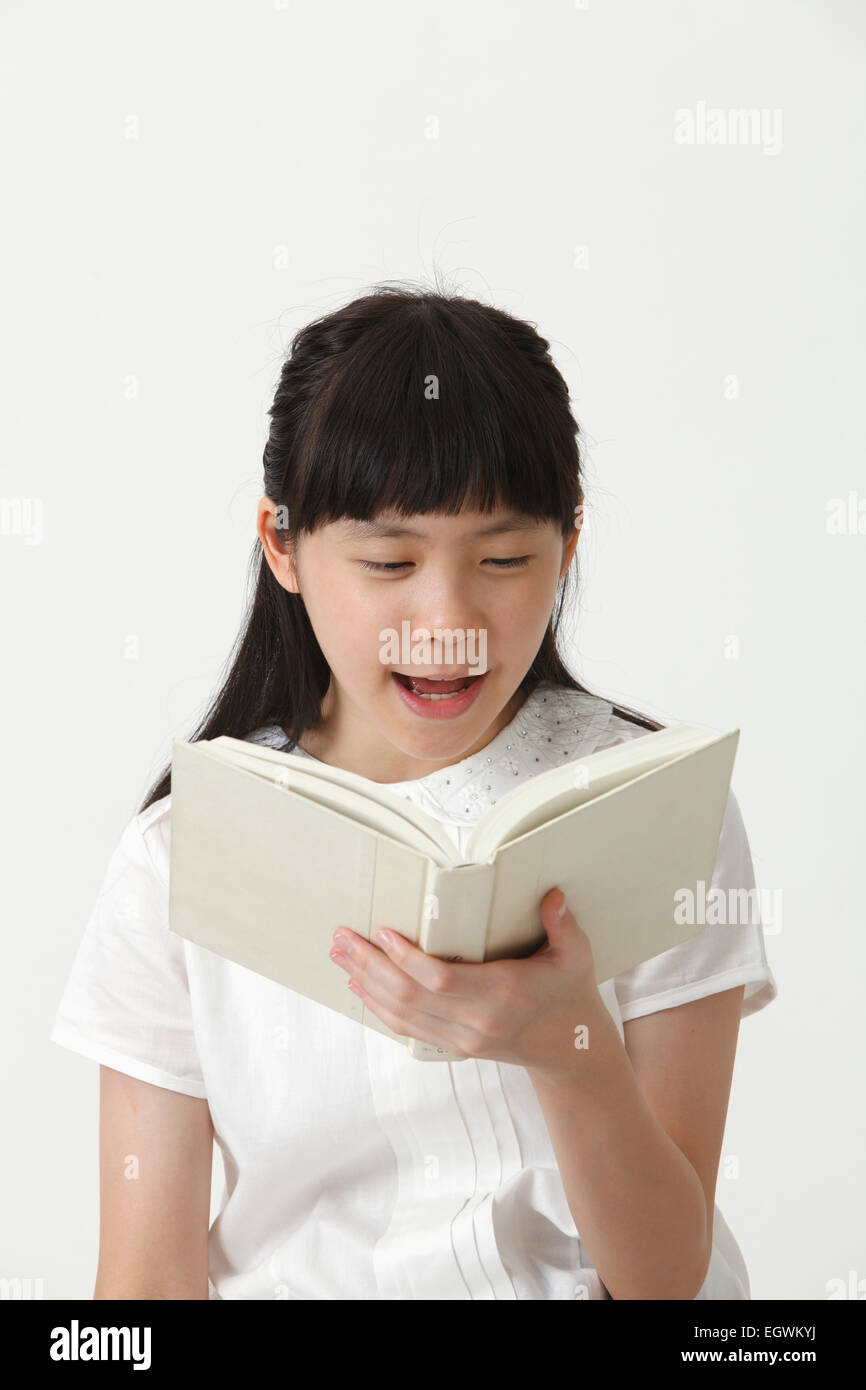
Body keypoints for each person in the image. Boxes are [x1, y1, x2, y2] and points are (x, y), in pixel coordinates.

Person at [50, 284, 777, 1300]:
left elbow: (665, 1279)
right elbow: (141, 1282)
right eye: (388, 560)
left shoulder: (655, 813)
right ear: (283, 545)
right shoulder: (181, 857)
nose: (447, 616)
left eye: (504, 558)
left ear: (567, 542)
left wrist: (567, 1046)